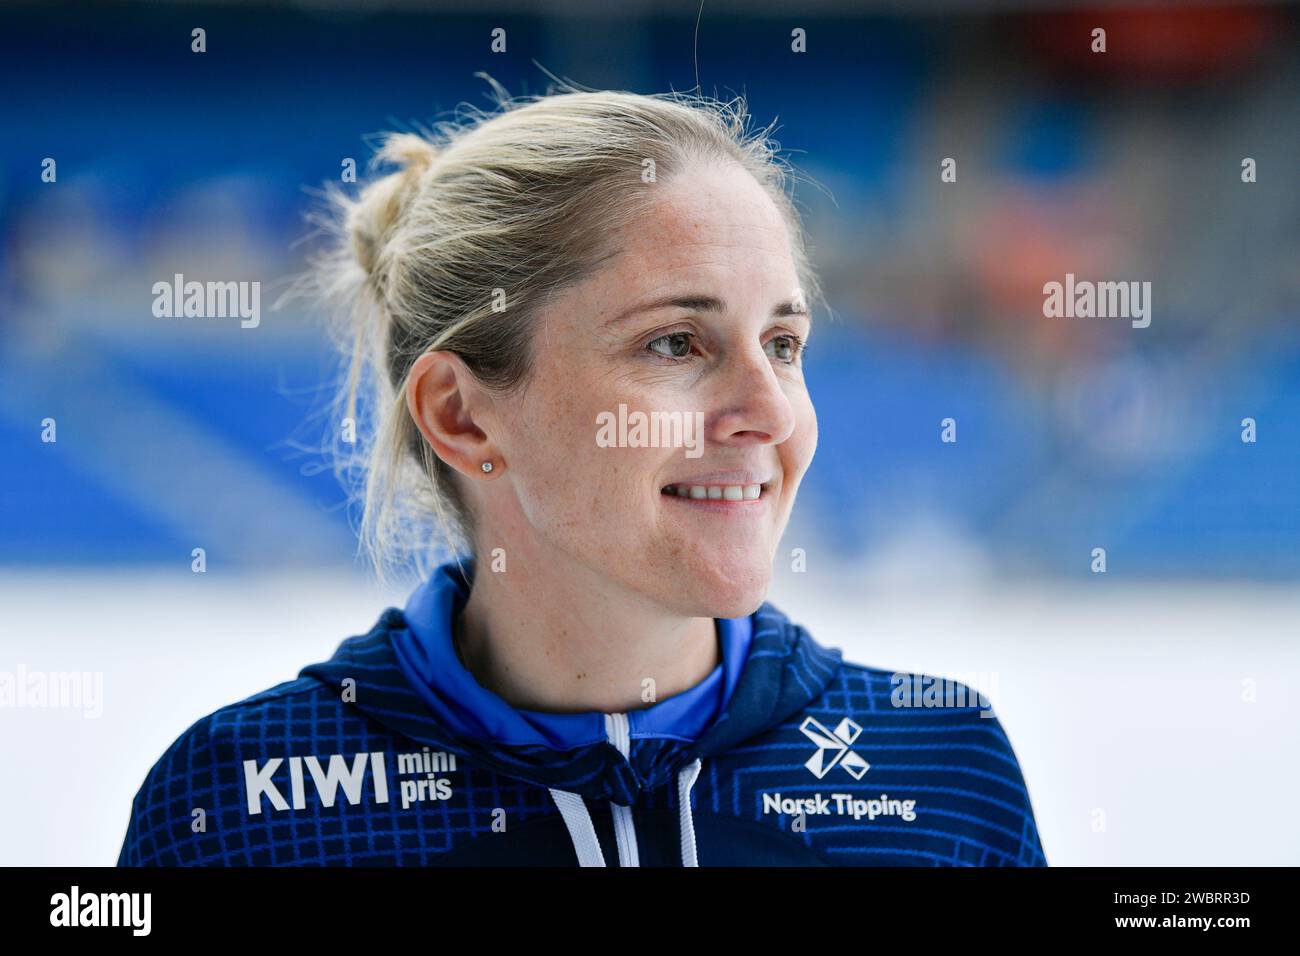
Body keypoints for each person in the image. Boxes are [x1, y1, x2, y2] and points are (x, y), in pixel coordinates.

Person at [117, 85, 1046, 867]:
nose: (769, 412)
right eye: (677, 343)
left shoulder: (941, 771)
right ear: (462, 414)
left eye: (784, 343)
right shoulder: (237, 808)